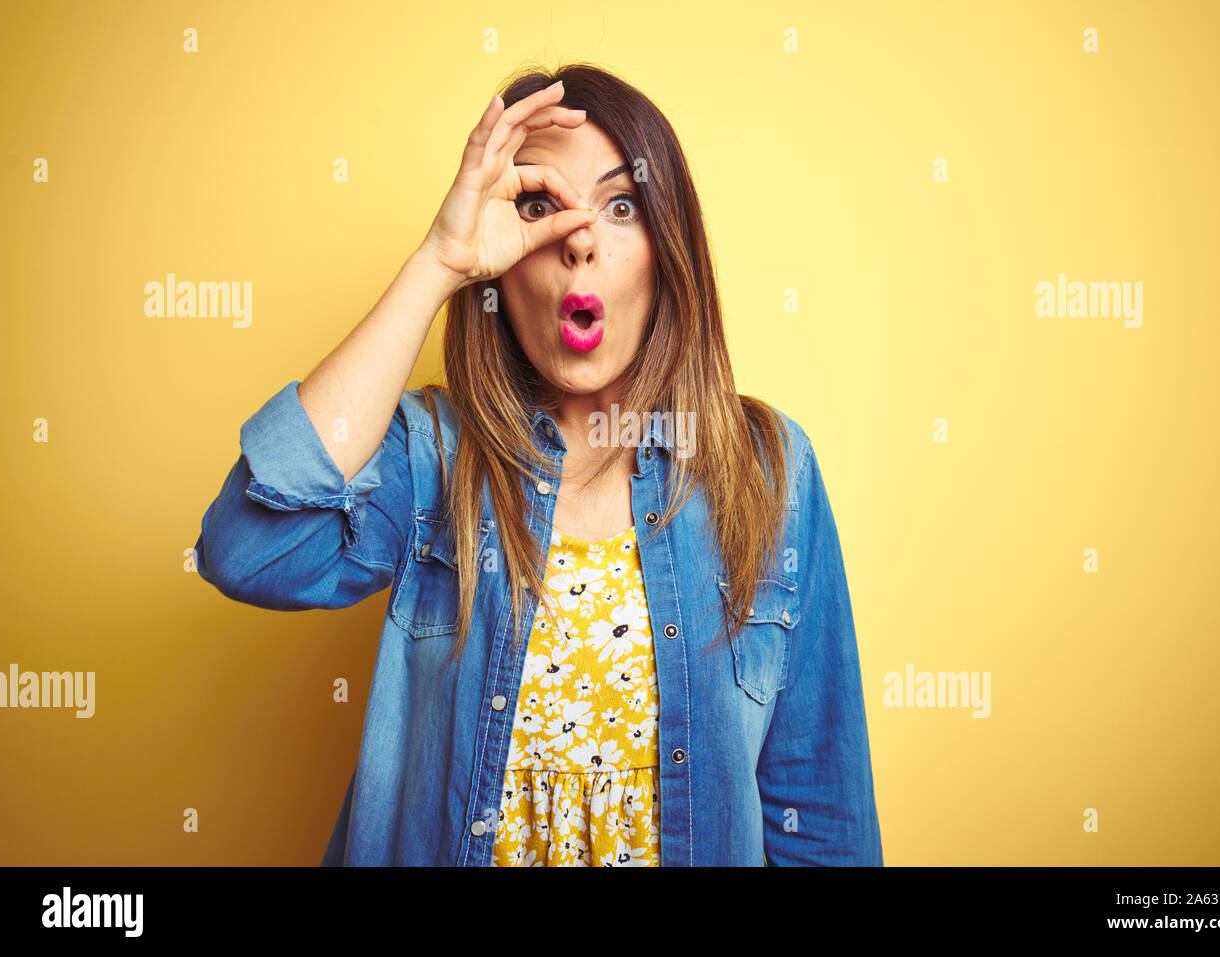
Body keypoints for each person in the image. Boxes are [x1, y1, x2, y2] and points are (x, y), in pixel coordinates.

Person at [194, 63, 882, 867]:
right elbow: (246, 548)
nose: (579, 239)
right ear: (501, 265)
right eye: (538, 206)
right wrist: (438, 262)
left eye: (620, 205)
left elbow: (824, 817)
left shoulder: (768, 472)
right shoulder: (433, 460)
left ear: (668, 251)